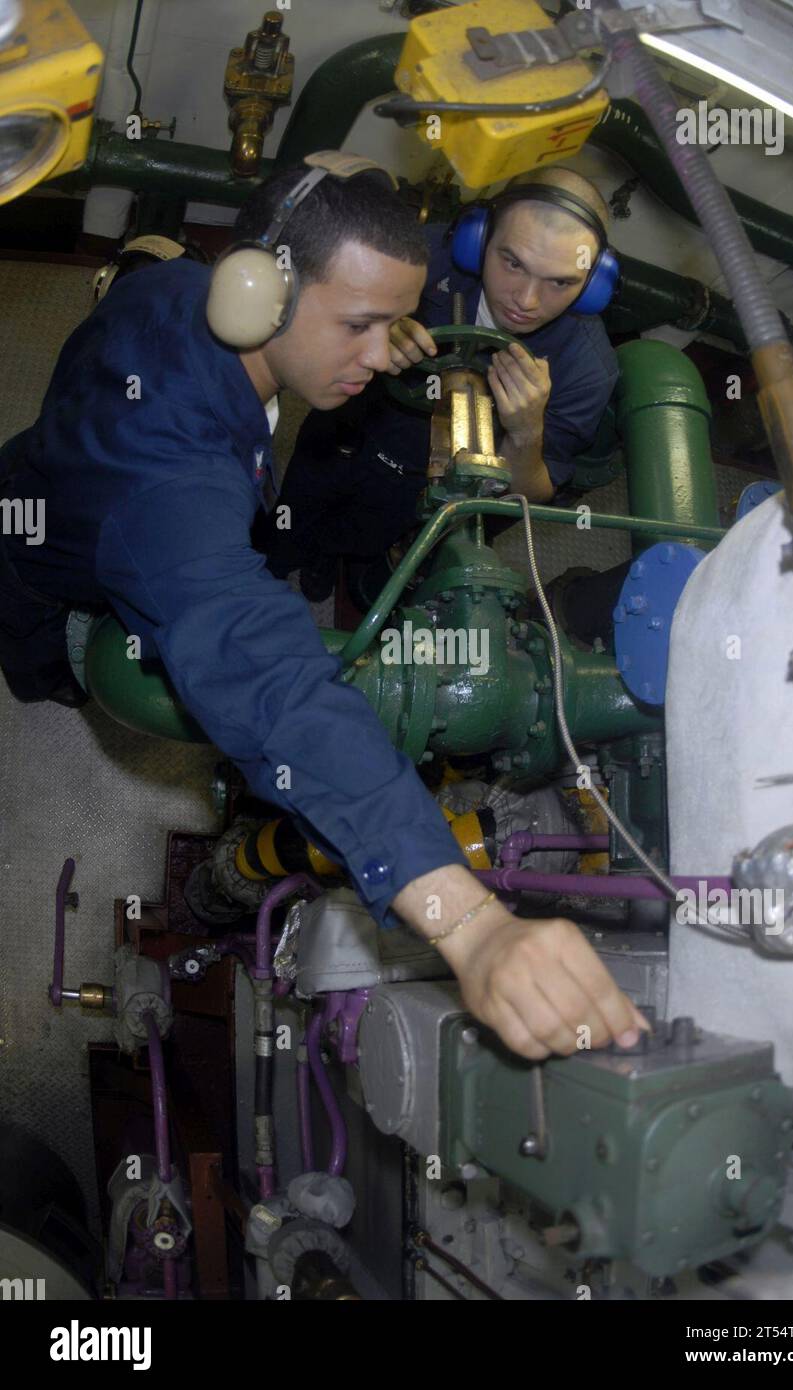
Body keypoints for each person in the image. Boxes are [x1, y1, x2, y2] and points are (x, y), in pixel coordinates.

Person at [0, 153, 646, 1059]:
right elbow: (279, 692)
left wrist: (344, 175)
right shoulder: (174, 496)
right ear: (265, 290)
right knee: (46, 662)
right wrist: (469, 921)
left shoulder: (180, 287)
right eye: (360, 324)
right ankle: (38, 672)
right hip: (44, 561)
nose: (385, 356)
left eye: (397, 322)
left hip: (41, 462)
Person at [253, 165, 620, 600]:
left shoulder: (587, 368)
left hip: (423, 485)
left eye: (561, 282)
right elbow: (308, 337)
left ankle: (328, 565)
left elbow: (530, 495)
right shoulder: (413, 259)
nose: (527, 300)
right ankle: (281, 559)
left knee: (370, 538)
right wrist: (373, 330)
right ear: (479, 239)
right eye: (513, 263)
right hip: (347, 427)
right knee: (291, 518)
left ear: (594, 283)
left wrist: (526, 431)